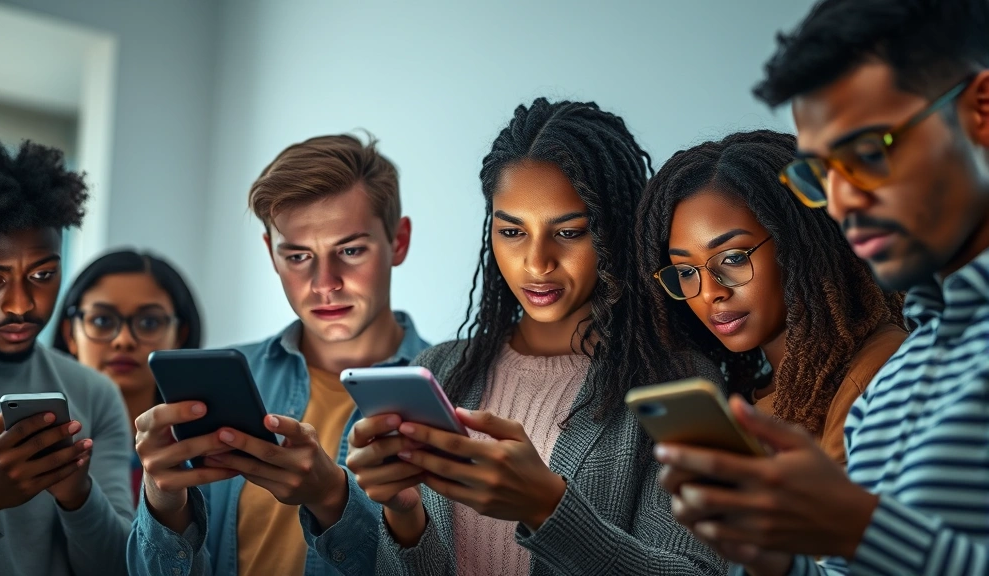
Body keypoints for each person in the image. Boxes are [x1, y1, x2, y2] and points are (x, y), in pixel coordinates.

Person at [654, 2, 989, 575]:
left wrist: (859, 526)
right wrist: (773, 560)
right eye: (820, 173)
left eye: (866, 153)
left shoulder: (876, 371)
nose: (839, 202)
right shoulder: (903, 374)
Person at [339, 98, 726, 576]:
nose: (537, 262)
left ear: (614, 231)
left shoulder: (679, 382)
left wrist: (548, 507)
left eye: (568, 232)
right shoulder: (441, 370)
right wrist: (404, 515)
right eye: (512, 231)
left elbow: (696, 573)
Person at [127, 133, 429, 576]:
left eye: (349, 250)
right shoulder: (222, 379)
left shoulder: (459, 390)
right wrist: (163, 501)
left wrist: (331, 499)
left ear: (398, 241)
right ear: (271, 253)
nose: (324, 282)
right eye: (299, 255)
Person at [636, 130, 907, 465]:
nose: (710, 293)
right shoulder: (746, 396)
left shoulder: (883, 372)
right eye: (686, 271)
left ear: (799, 244)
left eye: (733, 258)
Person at [0, 133, 132, 575]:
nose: (21, 304)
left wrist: (78, 495)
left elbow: (122, 566)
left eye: (42, 274)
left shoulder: (94, 393)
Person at [53, 249, 203, 505]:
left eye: (149, 323)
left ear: (179, 335)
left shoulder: (204, 448)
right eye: (102, 320)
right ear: (70, 334)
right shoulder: (41, 440)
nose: (124, 340)